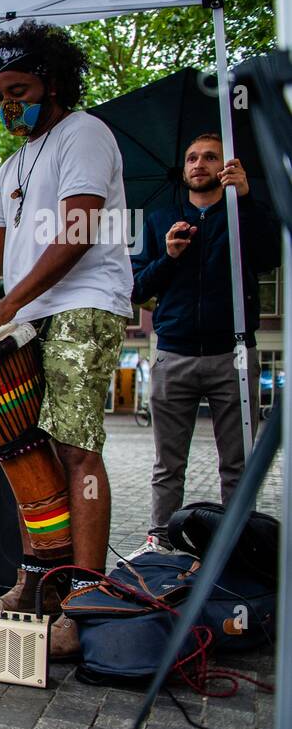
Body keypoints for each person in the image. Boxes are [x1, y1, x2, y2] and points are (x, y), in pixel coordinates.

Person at [0, 21, 133, 659]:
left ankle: (86, 599)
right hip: (31, 315)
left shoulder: (84, 134)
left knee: (74, 448)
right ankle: (38, 582)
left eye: (21, 88)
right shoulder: (11, 164)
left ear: (54, 83)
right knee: (25, 451)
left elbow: (78, 231)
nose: (10, 102)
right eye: (1, 93)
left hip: (83, 306)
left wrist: (9, 302)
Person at [130, 134, 280, 555]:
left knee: (237, 462)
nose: (200, 164)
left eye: (210, 157)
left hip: (231, 352)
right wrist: (169, 255)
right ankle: (160, 541)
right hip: (172, 352)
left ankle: (237, 544)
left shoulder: (243, 214)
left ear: (226, 167)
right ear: (184, 170)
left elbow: (269, 258)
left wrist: (246, 201)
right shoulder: (161, 219)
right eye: (193, 158)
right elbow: (138, 288)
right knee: (167, 464)